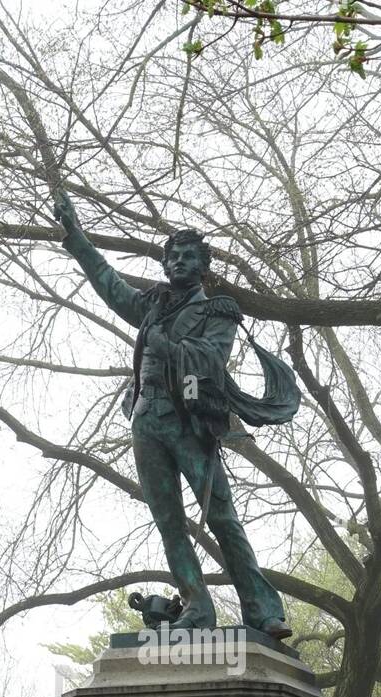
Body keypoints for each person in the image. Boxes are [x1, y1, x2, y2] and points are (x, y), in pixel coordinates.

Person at [54, 191, 293, 638]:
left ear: (203, 266)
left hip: (189, 424)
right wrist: (76, 235)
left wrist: (169, 347)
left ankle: (262, 609)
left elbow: (211, 357)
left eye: (188, 256)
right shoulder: (153, 306)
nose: (179, 261)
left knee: (222, 518)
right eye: (173, 256)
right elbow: (109, 283)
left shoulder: (217, 311)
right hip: (146, 421)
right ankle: (197, 608)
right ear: (165, 266)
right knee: (168, 523)